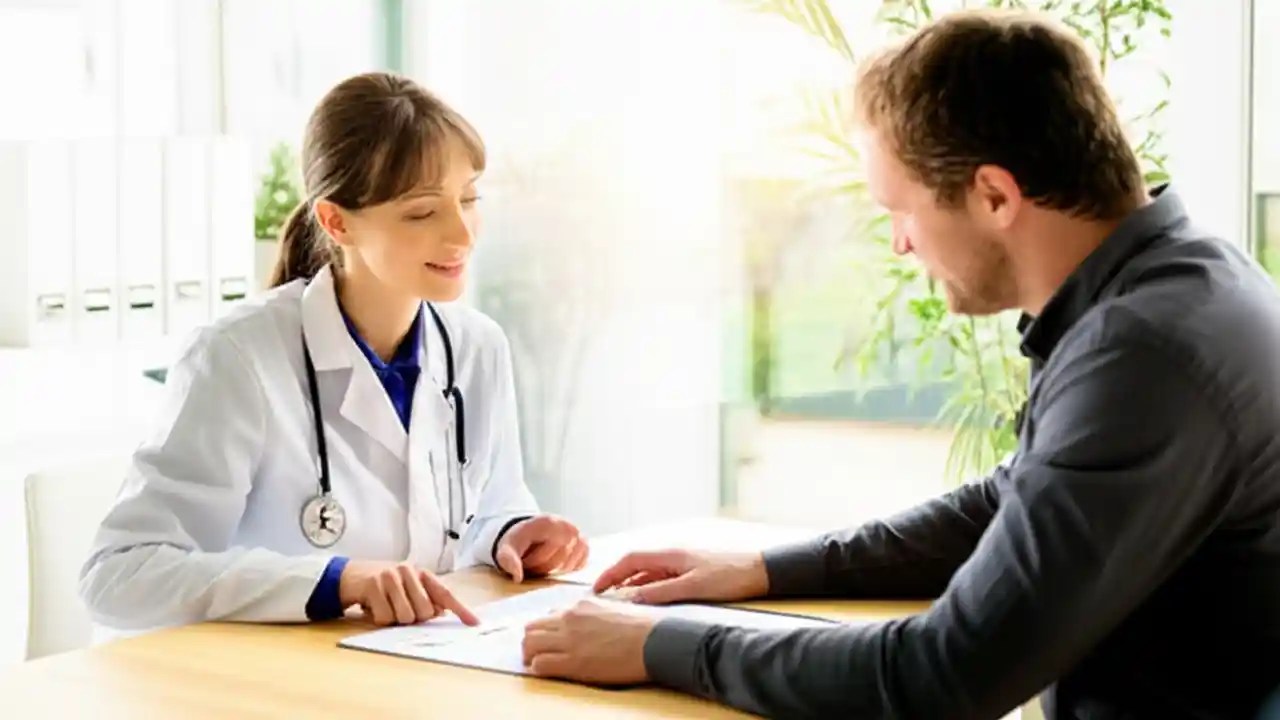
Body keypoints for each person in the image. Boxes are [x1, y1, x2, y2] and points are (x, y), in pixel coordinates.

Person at [520, 9, 1280, 719]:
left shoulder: (1143, 356)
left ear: (994, 196)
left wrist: (659, 645)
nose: (901, 243)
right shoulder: (1181, 284)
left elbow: (946, 674)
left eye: (901, 209)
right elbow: (1011, 501)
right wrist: (762, 569)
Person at [80, 72, 588, 633]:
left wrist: (510, 534)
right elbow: (120, 577)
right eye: (422, 212)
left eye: (469, 199)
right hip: (268, 673)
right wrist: (334, 581)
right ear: (336, 221)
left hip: (415, 658)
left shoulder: (477, 347)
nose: (463, 235)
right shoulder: (237, 357)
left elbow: (488, 508)